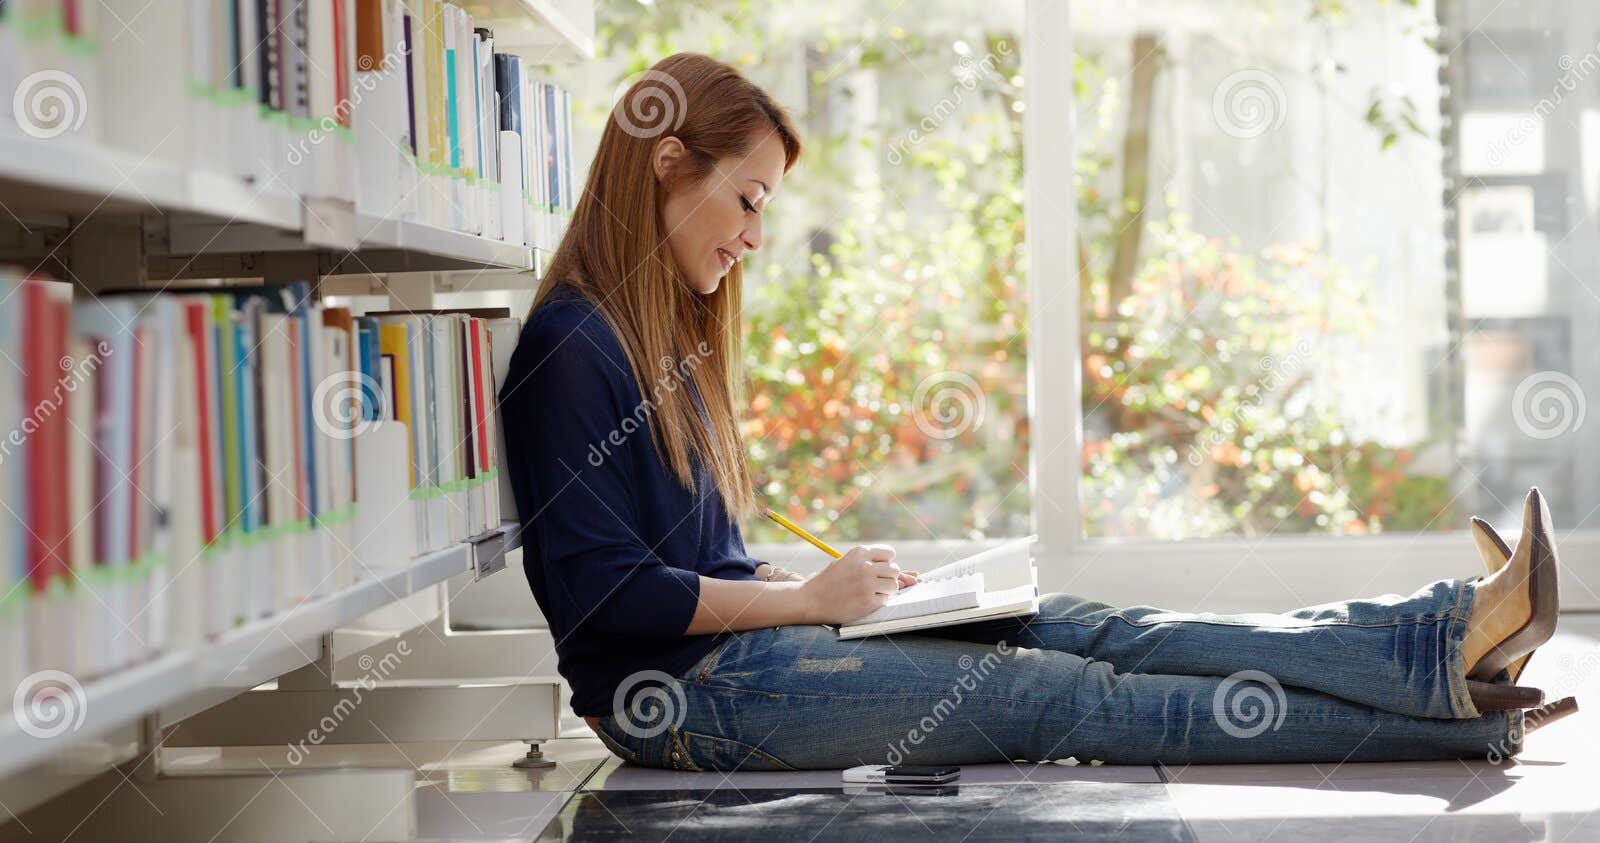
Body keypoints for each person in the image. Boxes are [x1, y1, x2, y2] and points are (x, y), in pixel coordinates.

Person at [498, 53, 1565, 772]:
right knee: (1065, 690)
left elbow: (693, 564)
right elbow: (605, 598)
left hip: (743, 656)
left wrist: (828, 593)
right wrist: (800, 599)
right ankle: (1455, 705)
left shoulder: (656, 339)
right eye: (749, 201)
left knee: (1090, 624)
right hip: (680, 705)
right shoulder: (569, 347)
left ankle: (1436, 639)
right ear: (665, 164)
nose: (753, 239)